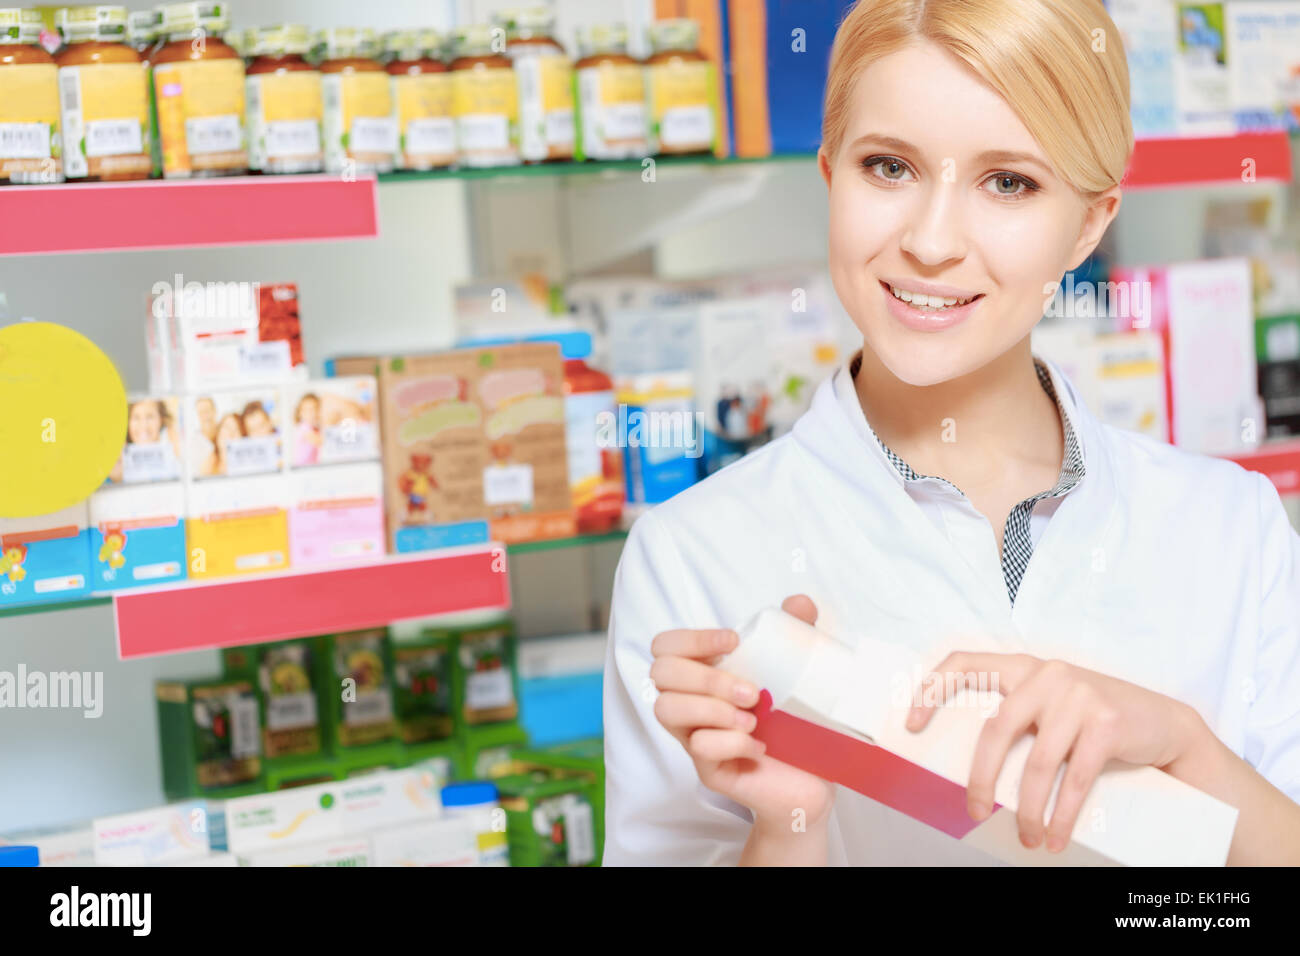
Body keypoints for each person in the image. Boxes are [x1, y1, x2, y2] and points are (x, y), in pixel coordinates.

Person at [603, 0, 1300, 866]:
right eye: (888, 167)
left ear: (1089, 223)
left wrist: (1191, 753)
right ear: (829, 174)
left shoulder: (1232, 528)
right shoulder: (691, 558)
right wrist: (788, 826)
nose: (931, 243)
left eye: (1008, 182)